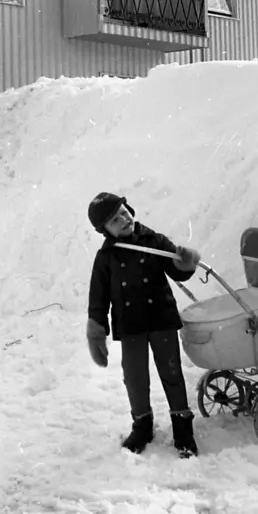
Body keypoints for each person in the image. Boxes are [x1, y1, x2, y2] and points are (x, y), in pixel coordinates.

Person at [85, 192, 202, 457]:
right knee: (135, 378)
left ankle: (183, 428)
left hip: (161, 319)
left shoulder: (154, 240)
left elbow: (176, 270)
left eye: (124, 212)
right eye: (115, 220)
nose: (123, 219)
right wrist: (96, 327)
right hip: (131, 326)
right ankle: (142, 425)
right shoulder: (106, 257)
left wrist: (184, 262)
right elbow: (98, 297)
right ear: (105, 230)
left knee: (172, 373)